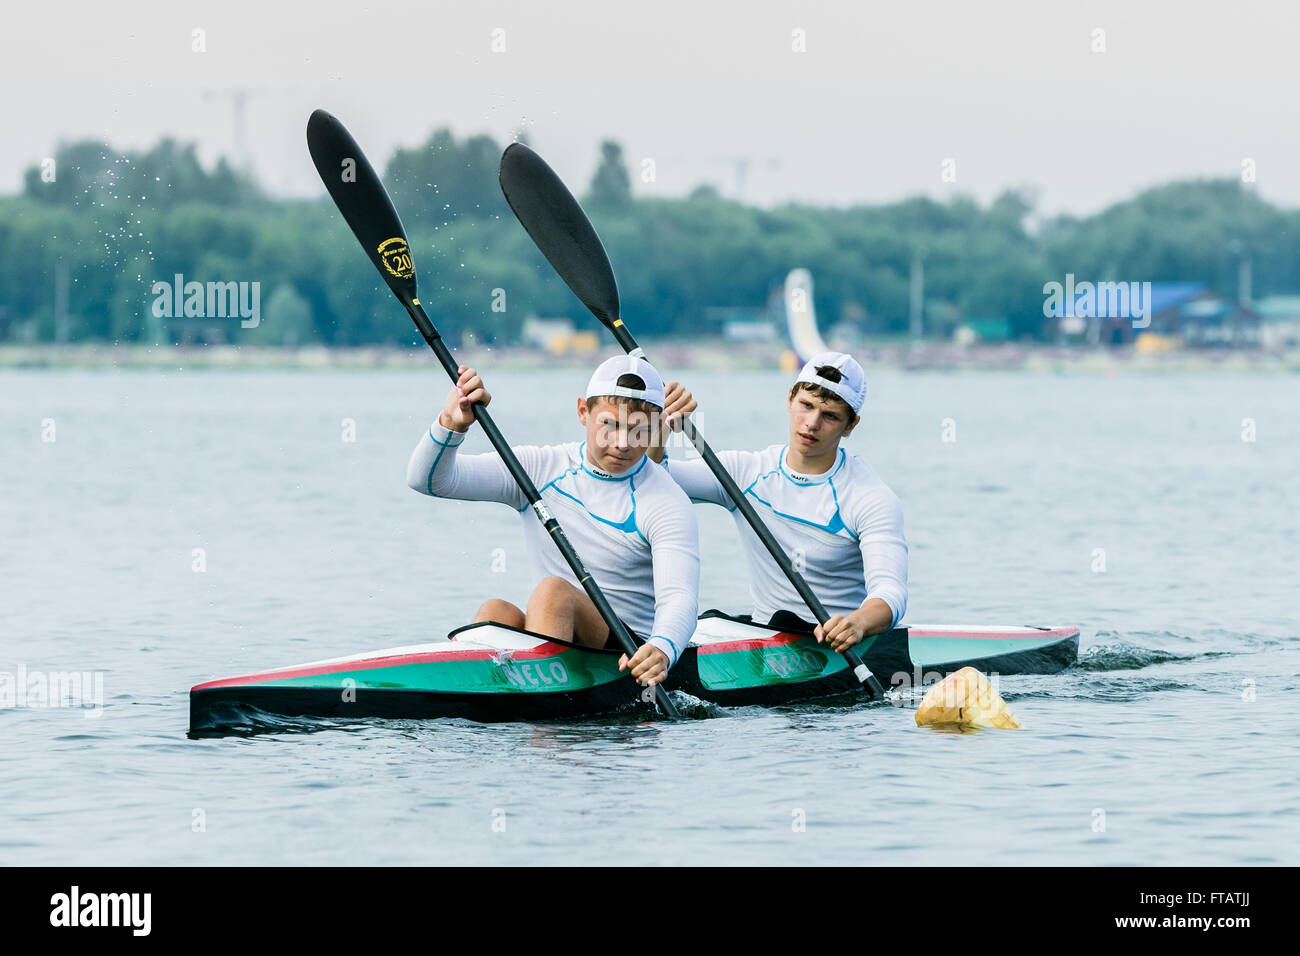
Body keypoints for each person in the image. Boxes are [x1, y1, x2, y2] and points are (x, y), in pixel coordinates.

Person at [406, 355, 699, 688]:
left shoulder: (666, 500)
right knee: (495, 614)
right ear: (582, 412)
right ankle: (467, 702)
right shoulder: (540, 467)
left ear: (658, 426)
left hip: (629, 658)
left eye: (639, 431)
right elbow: (429, 481)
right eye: (610, 425)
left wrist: (662, 647)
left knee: (553, 592)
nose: (622, 443)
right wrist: (451, 424)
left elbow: (680, 598)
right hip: (560, 636)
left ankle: (544, 729)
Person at [647, 351, 906, 652]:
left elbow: (891, 593)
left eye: (830, 416)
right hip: (765, 639)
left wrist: (858, 623)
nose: (811, 423)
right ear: (790, 399)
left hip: (836, 648)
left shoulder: (869, 497)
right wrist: (661, 427)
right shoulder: (745, 473)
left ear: (850, 426)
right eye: (806, 406)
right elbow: (654, 483)